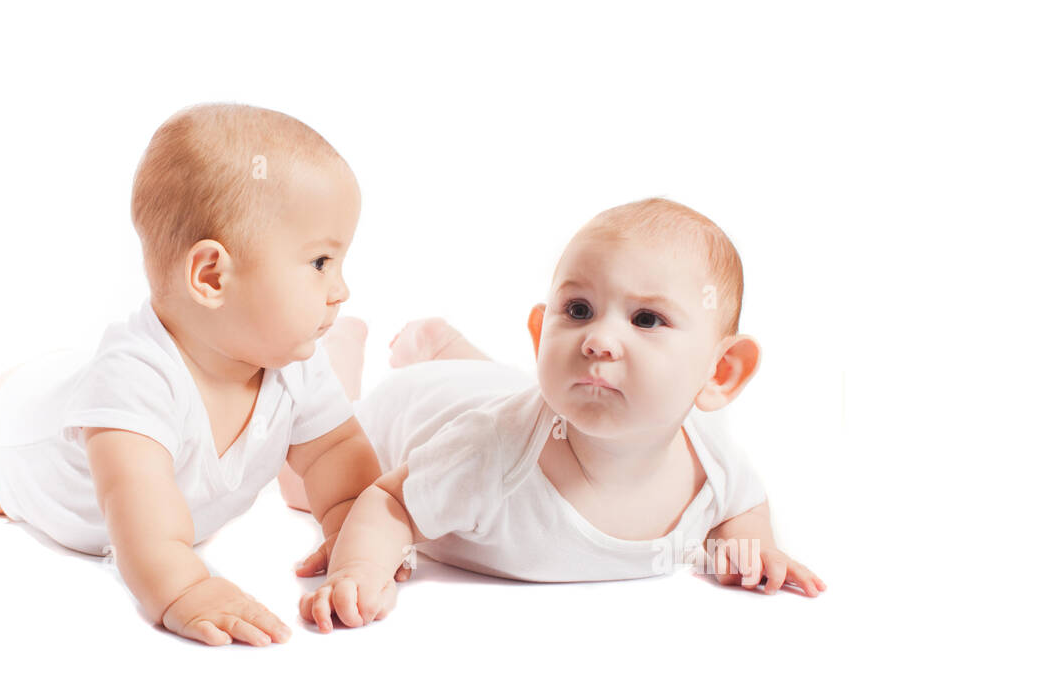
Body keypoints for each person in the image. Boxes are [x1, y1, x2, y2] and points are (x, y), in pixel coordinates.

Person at [0, 103, 385, 647]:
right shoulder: (136, 383)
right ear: (211, 276)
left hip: (80, 389)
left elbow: (340, 461)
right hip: (7, 442)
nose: (341, 289)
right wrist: (186, 591)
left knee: (317, 434)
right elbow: (143, 532)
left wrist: (357, 544)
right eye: (320, 263)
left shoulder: (293, 364)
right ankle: (22, 391)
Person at [300, 198, 827, 632]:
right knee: (304, 478)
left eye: (647, 319)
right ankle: (336, 370)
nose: (598, 339)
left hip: (501, 391)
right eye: (577, 311)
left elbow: (744, 504)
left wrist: (749, 543)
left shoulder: (709, 456)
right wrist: (362, 568)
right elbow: (390, 499)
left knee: (518, 391)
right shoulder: (488, 456)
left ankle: (444, 344)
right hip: (421, 404)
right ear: (541, 334)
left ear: (720, 372)